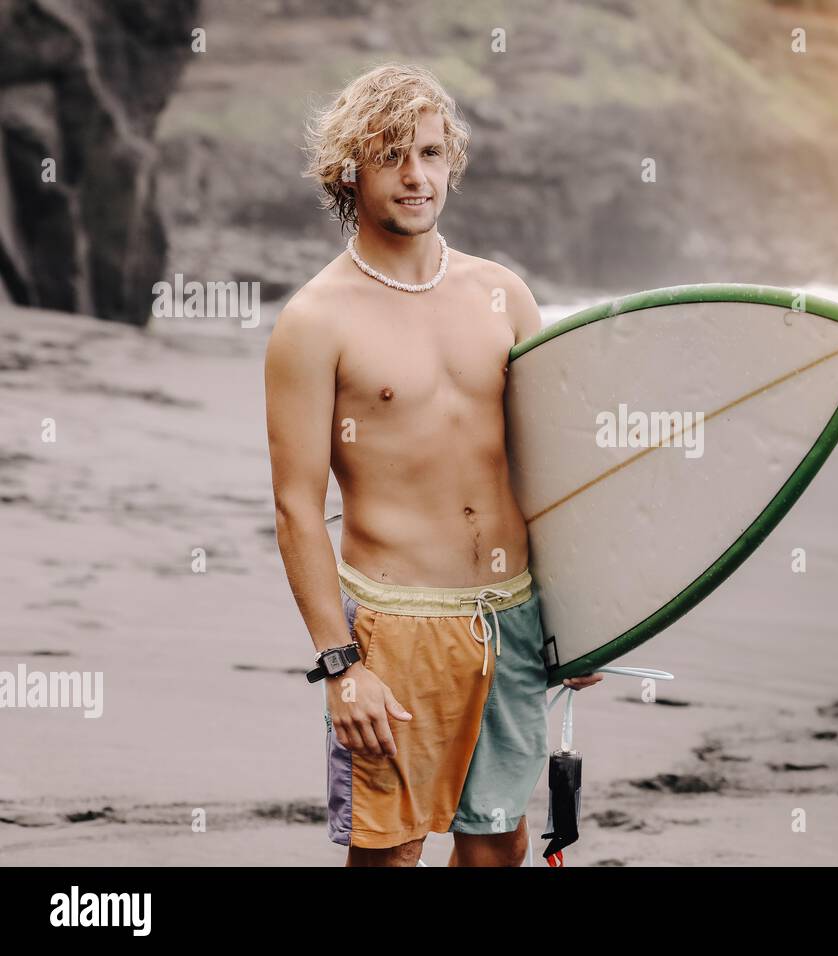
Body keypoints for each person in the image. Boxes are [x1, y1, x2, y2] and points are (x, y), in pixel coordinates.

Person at [264, 63, 600, 867]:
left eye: (431, 153)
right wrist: (340, 666)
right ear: (351, 170)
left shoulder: (503, 295)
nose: (416, 177)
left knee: (496, 848)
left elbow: (548, 470)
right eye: (391, 156)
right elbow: (296, 508)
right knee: (390, 853)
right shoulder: (315, 322)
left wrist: (585, 614)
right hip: (395, 627)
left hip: (512, 616)